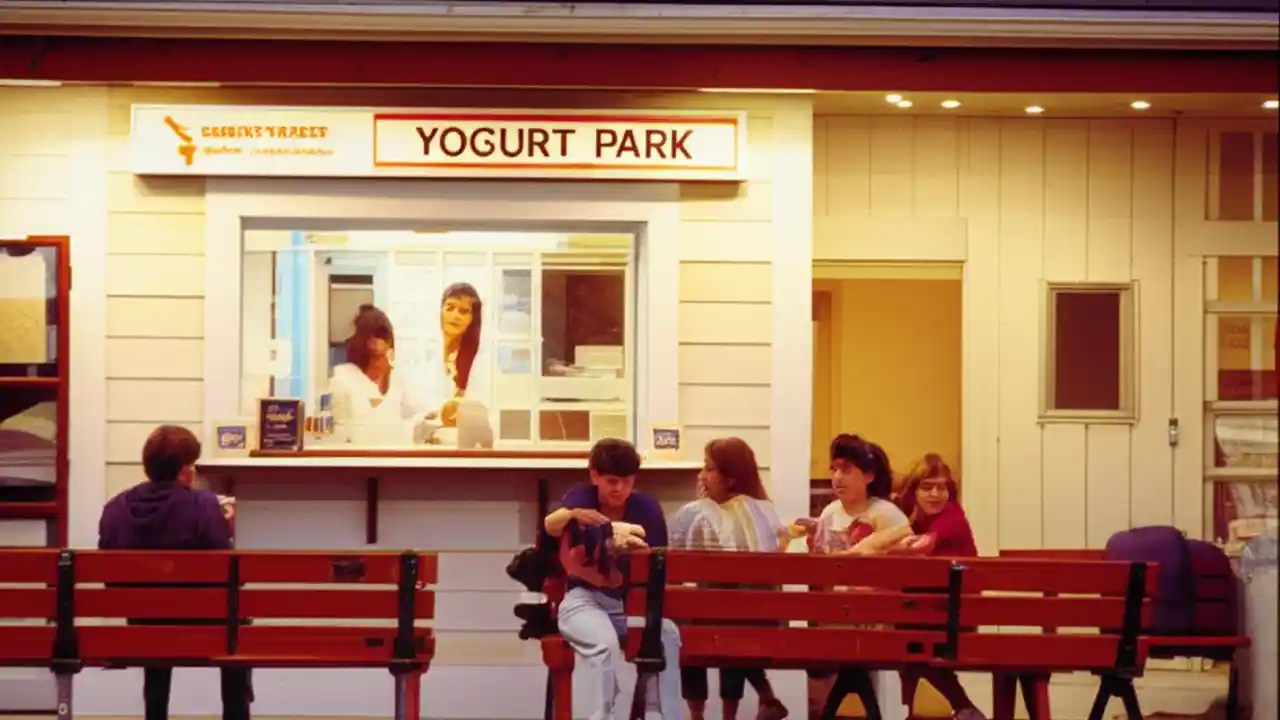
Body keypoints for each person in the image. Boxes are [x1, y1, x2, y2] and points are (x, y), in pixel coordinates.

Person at [97, 425, 250, 720]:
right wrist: (226, 526)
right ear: (184, 470)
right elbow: (223, 571)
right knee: (236, 625)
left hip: (141, 624)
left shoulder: (115, 508)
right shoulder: (204, 504)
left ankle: (155, 713)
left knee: (154, 616)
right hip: (204, 627)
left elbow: (110, 577)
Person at [542, 438, 681, 720]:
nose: (619, 489)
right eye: (611, 481)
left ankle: (663, 714)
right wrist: (573, 515)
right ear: (595, 476)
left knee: (667, 634)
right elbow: (551, 527)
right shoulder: (581, 498)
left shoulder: (646, 508)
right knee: (604, 644)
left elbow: (657, 560)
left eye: (626, 481)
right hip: (584, 599)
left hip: (627, 604)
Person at [668, 437, 790, 720]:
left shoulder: (699, 513)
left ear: (730, 479)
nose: (702, 475)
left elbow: (681, 558)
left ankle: (696, 715)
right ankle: (748, 705)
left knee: (688, 619)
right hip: (766, 624)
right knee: (733, 615)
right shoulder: (765, 510)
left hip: (719, 624)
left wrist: (703, 502)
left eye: (709, 469)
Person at [797, 434, 910, 718]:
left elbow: (901, 570)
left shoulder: (886, 514)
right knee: (824, 687)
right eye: (834, 469)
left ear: (869, 476)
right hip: (832, 620)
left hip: (872, 622)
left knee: (851, 679)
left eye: (847, 470)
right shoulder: (829, 513)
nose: (837, 477)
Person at [893, 454, 985, 720]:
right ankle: (963, 709)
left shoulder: (953, 516)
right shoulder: (910, 519)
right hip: (928, 616)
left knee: (909, 644)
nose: (935, 494)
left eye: (942, 487)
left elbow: (921, 546)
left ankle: (964, 708)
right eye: (927, 487)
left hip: (956, 618)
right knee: (906, 643)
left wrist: (879, 545)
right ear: (913, 490)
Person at [328, 304, 421, 429]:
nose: (377, 344)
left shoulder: (398, 381)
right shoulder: (342, 378)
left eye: (382, 337)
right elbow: (337, 427)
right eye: (373, 356)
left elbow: (416, 417)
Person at [432, 282, 485, 427]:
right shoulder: (424, 354)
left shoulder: (479, 360)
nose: (455, 316)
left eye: (463, 311)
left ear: (472, 319)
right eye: (450, 308)